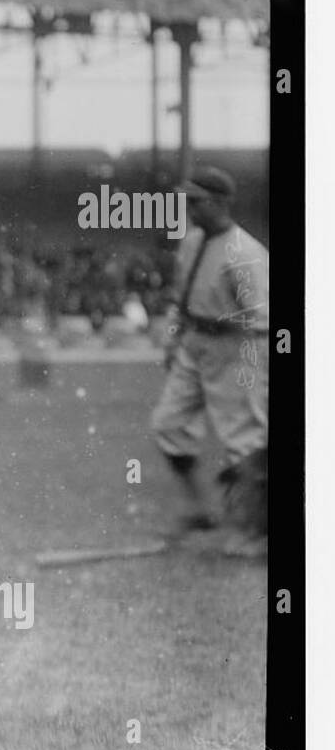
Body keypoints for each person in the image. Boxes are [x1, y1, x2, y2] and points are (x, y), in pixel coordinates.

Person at [150, 165, 268, 558]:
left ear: (219, 203)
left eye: (195, 201)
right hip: (194, 341)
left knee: (245, 439)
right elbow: (179, 296)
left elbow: (265, 319)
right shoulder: (192, 240)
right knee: (169, 423)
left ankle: (259, 532)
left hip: (233, 347)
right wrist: (173, 340)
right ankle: (201, 508)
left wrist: (257, 367)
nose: (187, 207)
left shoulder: (246, 253)